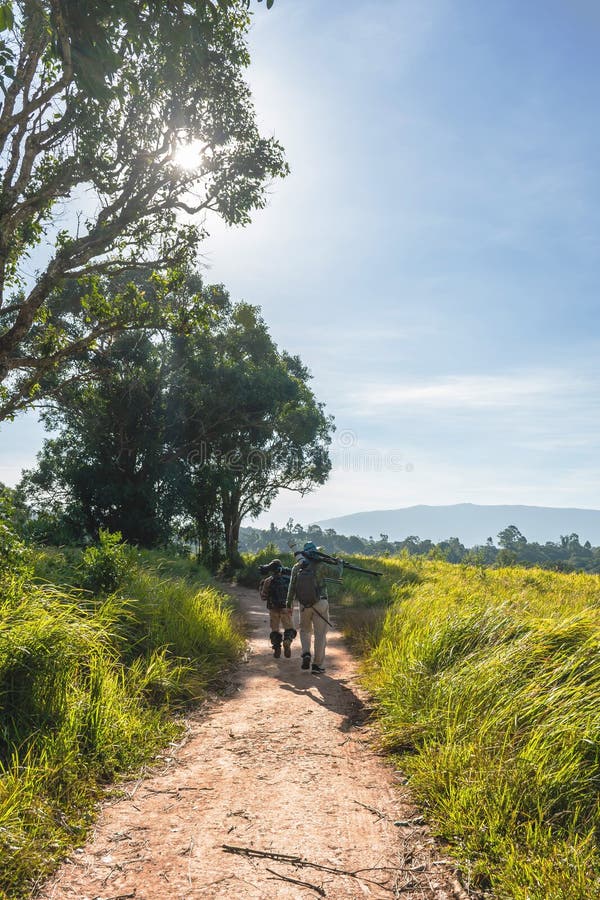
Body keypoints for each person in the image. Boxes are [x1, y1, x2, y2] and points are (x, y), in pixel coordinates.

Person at [286, 542, 343, 674]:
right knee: (320, 635)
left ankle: (306, 653)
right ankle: (317, 665)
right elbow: (337, 574)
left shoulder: (297, 567)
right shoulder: (321, 565)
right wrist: (339, 563)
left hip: (304, 605)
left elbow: (292, 587)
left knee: (305, 631)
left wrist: (289, 604)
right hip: (320, 603)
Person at [258, 559, 297, 658]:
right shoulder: (288, 579)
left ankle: (277, 647)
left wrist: (260, 587)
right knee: (289, 628)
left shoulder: (268, 580)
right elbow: (294, 594)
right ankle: (287, 641)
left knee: (275, 629)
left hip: (273, 608)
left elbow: (263, 597)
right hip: (286, 608)